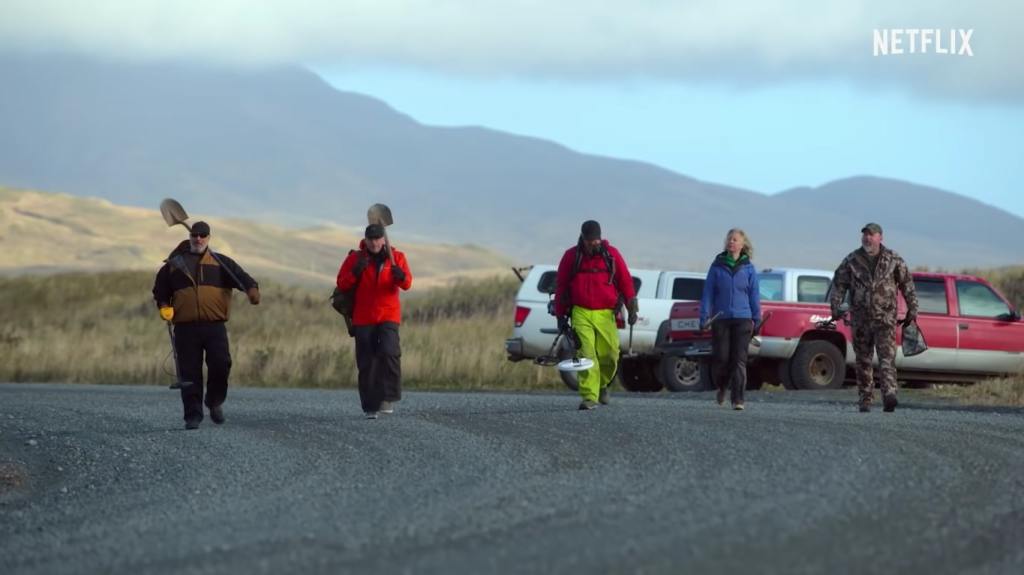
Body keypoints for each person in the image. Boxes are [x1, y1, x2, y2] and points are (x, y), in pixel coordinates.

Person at [152, 221, 260, 430]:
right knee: (189, 372)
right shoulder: (173, 265)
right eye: (195, 235)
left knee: (221, 365)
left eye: (203, 235)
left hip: (215, 326)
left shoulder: (221, 263)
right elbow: (160, 290)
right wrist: (164, 305)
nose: (198, 239)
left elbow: (244, 279)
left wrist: (252, 291)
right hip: (185, 328)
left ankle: (214, 401)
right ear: (190, 236)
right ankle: (192, 416)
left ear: (209, 238)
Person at [829, 223, 918, 413]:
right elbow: (839, 284)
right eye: (865, 235)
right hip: (860, 319)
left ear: (880, 237)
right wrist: (835, 308)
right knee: (863, 360)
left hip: (885, 318)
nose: (867, 238)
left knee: (887, 358)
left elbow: (907, 284)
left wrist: (912, 309)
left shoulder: (893, 259)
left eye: (871, 235)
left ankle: (889, 395)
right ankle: (865, 398)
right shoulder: (852, 260)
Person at [554, 220, 637, 410]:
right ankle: (589, 397)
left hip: (606, 313)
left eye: (597, 241)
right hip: (580, 312)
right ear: (583, 238)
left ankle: (602, 385)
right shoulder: (571, 256)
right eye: (590, 241)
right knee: (586, 354)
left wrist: (632, 304)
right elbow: (561, 286)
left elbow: (625, 280)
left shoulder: (612, 255)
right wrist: (560, 315)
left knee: (610, 355)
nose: (594, 244)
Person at [336, 224, 413, 419]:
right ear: (366, 240)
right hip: (364, 316)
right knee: (367, 360)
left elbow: (407, 284)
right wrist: (355, 272)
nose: (374, 242)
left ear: (383, 239)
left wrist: (401, 276)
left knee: (389, 352)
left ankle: (387, 397)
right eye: (370, 239)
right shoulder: (355, 258)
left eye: (378, 238)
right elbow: (341, 283)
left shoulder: (397, 257)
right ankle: (371, 405)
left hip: (389, 314)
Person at [699, 228, 761, 410]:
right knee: (722, 359)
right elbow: (708, 293)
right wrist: (703, 316)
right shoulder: (717, 266)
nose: (731, 242)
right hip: (721, 318)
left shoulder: (749, 268)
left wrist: (756, 318)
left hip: (743, 319)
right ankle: (722, 387)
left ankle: (738, 399)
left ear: (742, 244)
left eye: (735, 240)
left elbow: (754, 295)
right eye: (729, 239)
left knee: (739, 360)